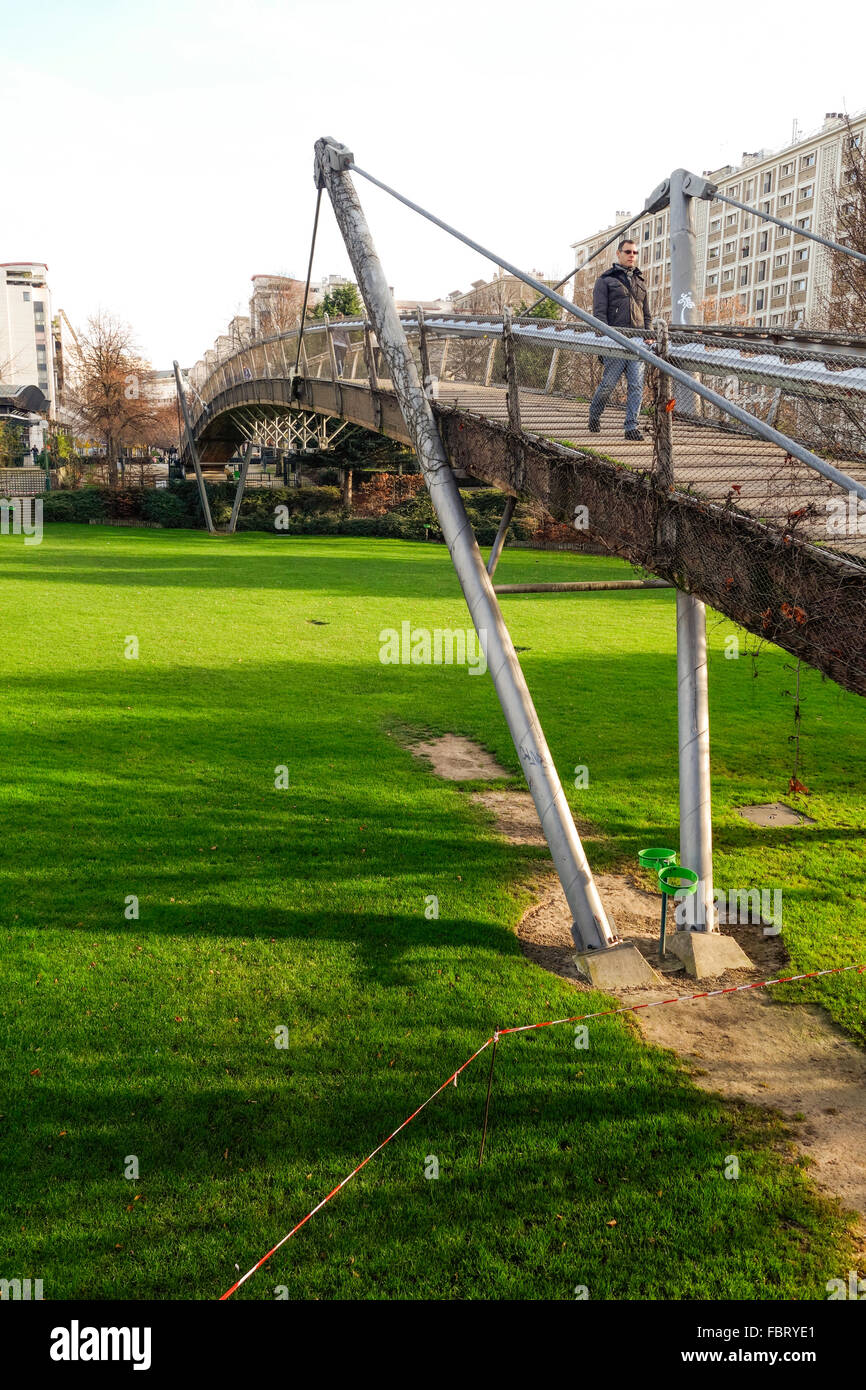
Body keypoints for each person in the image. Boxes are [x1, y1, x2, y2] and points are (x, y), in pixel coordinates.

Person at [589, 237, 652, 441]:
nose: (632, 256)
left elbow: (647, 313)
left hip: (637, 342)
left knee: (636, 385)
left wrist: (648, 335)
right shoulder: (605, 280)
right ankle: (594, 415)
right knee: (608, 384)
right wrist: (605, 340)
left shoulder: (640, 281)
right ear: (619, 254)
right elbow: (599, 314)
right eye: (628, 252)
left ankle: (631, 427)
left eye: (634, 253)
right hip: (615, 341)